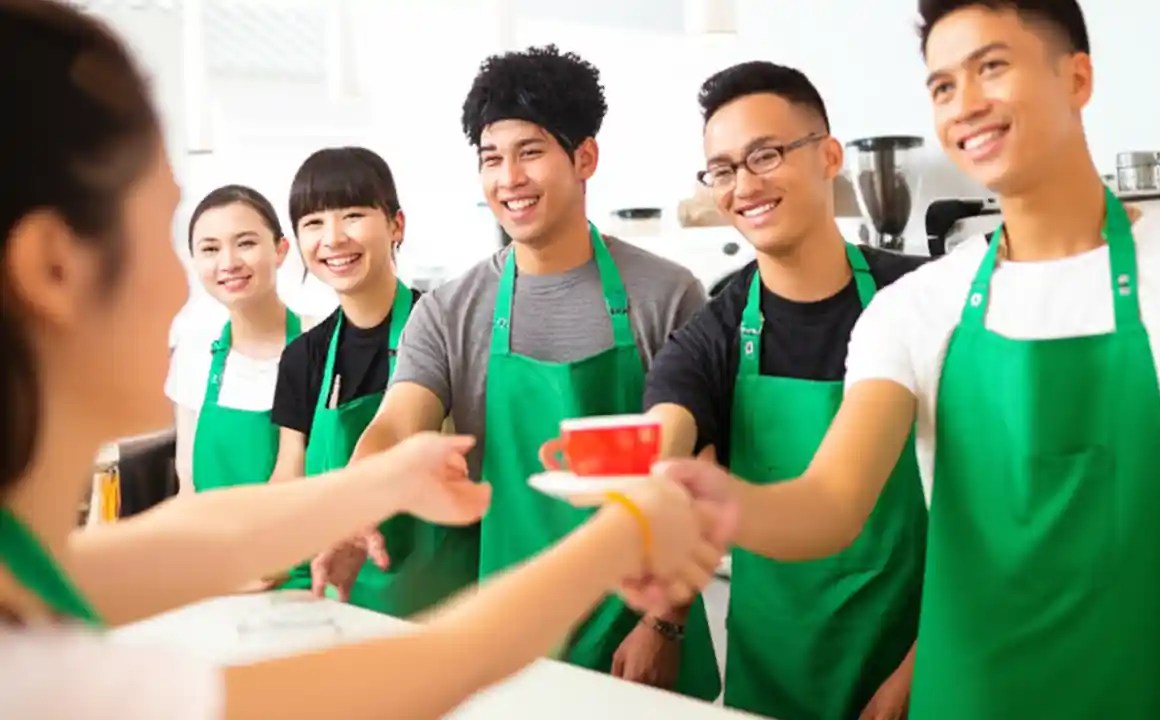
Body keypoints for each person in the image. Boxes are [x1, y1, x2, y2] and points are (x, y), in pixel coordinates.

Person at [0, 2, 728, 717]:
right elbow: (435, 665)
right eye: (171, 236)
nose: (202, 277)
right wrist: (613, 546)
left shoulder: (23, 574)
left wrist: (367, 491)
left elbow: (193, 538)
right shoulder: (46, 676)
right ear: (53, 270)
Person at [656, 1, 1160, 718]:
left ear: (1077, 77)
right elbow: (830, 505)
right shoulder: (916, 309)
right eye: (943, 86)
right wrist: (710, 505)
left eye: (992, 67)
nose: (967, 104)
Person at [314, 44, 720, 698]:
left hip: (640, 629)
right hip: (513, 630)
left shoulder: (667, 294)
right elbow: (395, 427)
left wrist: (664, 623)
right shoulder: (451, 311)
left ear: (584, 157)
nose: (509, 178)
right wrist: (353, 506)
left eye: (530, 152)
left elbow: (703, 465)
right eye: (491, 158)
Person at [641, 62, 930, 719]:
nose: (744, 186)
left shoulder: (920, 301)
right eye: (722, 169)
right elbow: (668, 426)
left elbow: (981, 511)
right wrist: (641, 474)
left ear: (829, 156)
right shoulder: (714, 331)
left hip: (916, 666)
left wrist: (923, 666)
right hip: (772, 684)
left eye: (765, 155)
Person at [264, 146, 480, 617]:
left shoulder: (447, 330)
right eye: (313, 223)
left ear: (396, 225)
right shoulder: (304, 356)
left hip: (448, 604)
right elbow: (289, 476)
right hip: (337, 598)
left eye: (354, 215)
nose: (333, 239)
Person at [166, 185, 301, 497]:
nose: (228, 262)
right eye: (210, 249)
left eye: (246, 243)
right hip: (208, 542)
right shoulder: (194, 351)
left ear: (280, 249)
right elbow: (186, 478)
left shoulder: (318, 346)